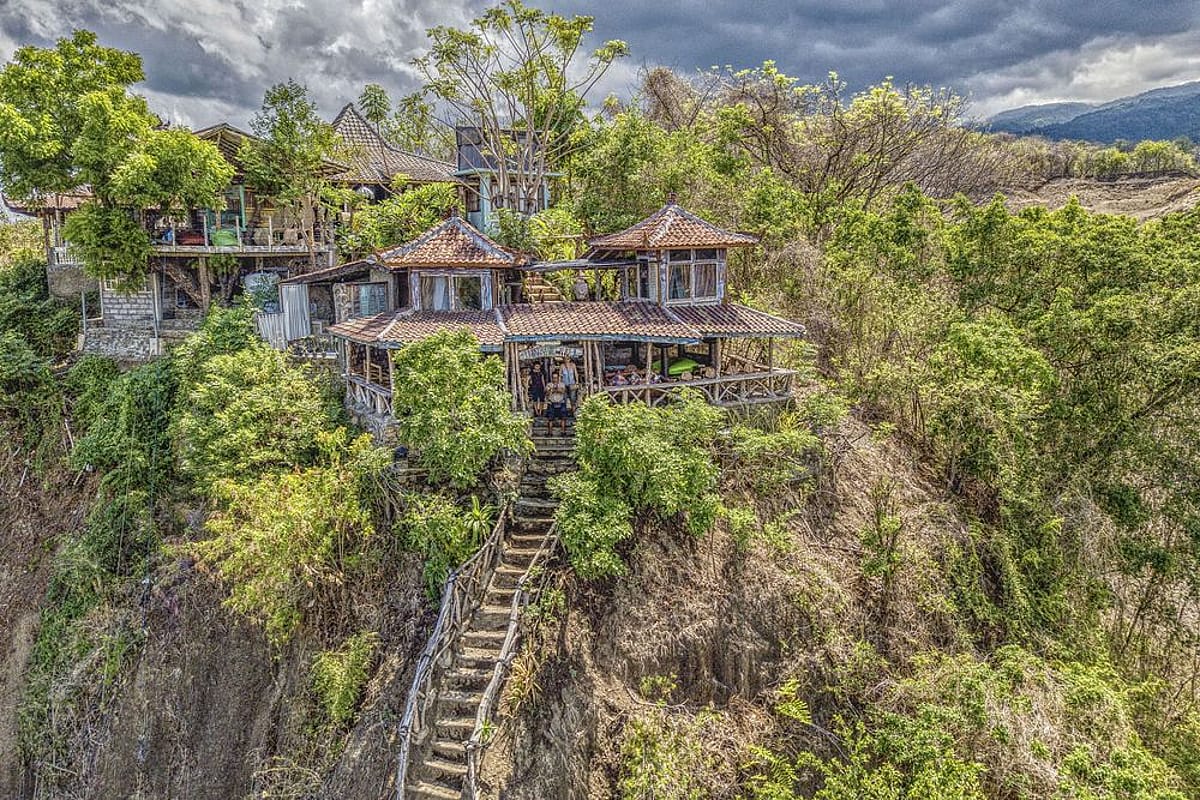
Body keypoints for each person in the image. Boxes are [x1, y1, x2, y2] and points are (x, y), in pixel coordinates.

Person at [545, 369, 569, 434]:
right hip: (551, 403)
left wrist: (554, 389)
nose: (555, 379)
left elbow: (563, 391)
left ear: (558, 378)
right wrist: (553, 390)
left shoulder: (562, 384)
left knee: (563, 418)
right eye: (553, 377)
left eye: (556, 377)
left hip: (561, 402)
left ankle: (563, 432)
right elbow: (547, 393)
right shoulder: (549, 384)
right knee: (550, 419)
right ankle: (550, 432)